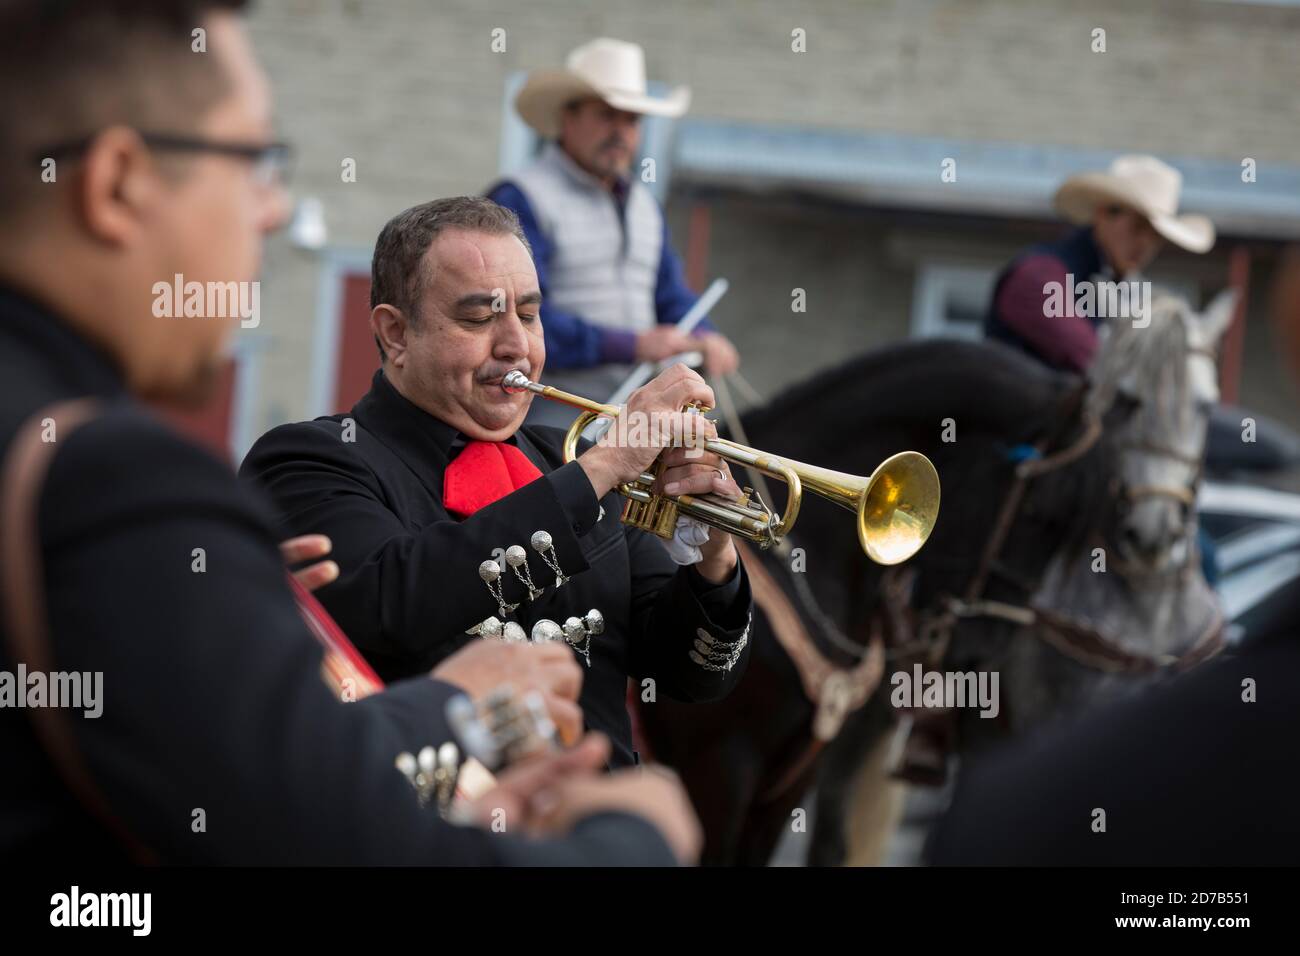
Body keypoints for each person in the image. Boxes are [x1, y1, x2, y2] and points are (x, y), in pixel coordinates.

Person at [0, 0, 698, 865]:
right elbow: (302, 824)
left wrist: (711, 541)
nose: (272, 208)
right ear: (115, 185)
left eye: (529, 311)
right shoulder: (119, 476)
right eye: (254, 160)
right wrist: (627, 835)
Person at [241, 196, 755, 769]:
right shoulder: (311, 459)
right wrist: (603, 468)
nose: (517, 346)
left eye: (529, 315)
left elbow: (691, 677)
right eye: (479, 318)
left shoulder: (574, 467)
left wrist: (715, 554)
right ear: (395, 334)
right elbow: (392, 607)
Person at [486, 37, 740, 427]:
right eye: (608, 115)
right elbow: (515, 319)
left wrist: (705, 333)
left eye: (632, 120)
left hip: (634, 415)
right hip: (548, 414)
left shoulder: (643, 206)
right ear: (567, 119)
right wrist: (634, 345)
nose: (621, 132)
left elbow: (667, 294)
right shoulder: (521, 198)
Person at [984, 154, 1216, 372]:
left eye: (1156, 235)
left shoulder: (1130, 292)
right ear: (1103, 214)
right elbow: (1095, 361)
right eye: (1138, 227)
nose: (1145, 243)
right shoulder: (1039, 276)